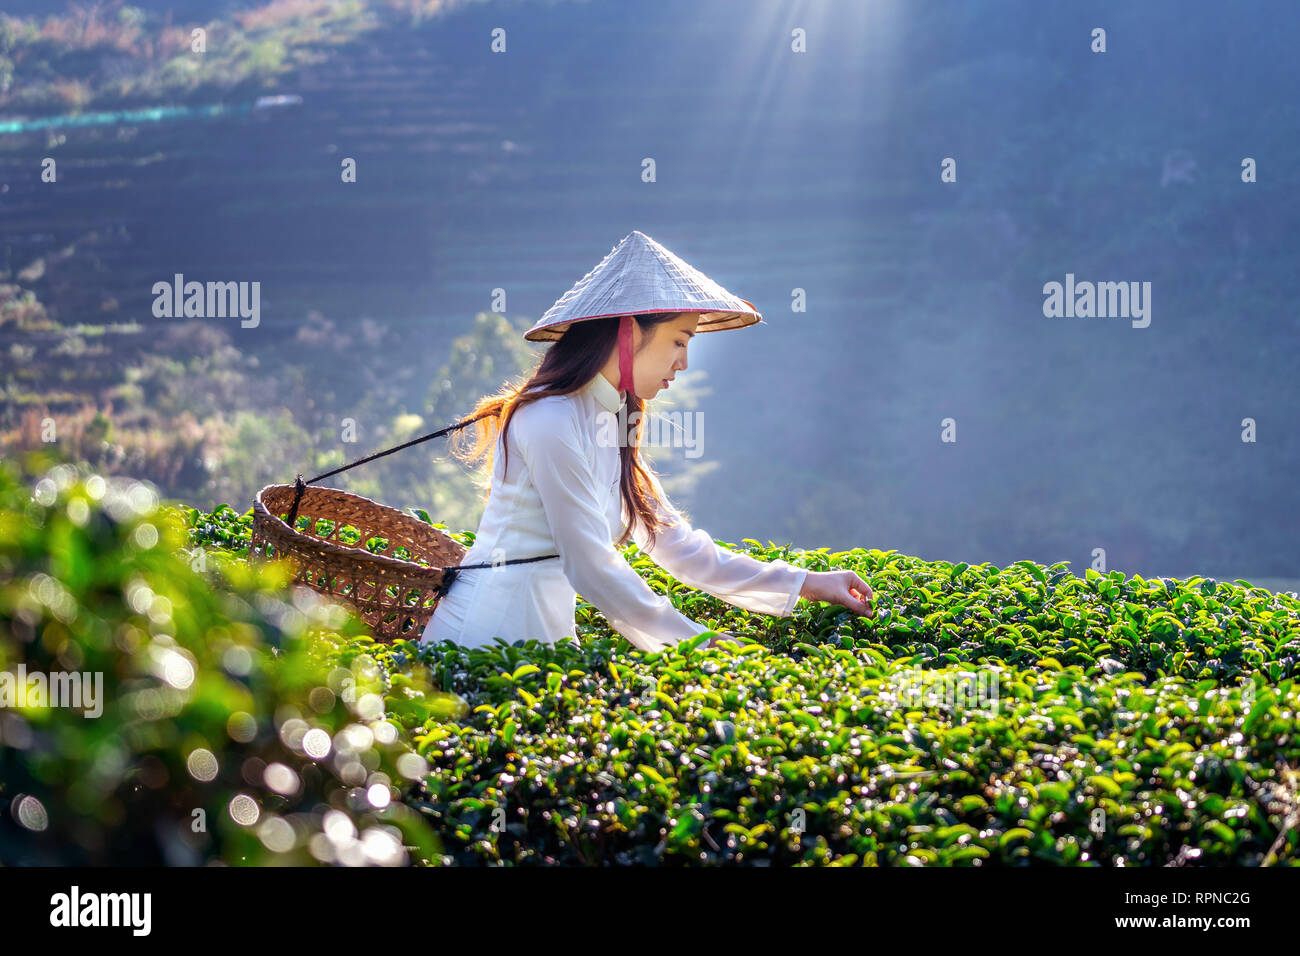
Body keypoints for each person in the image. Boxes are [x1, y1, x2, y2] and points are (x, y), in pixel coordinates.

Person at [420, 231, 872, 653]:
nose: (684, 362)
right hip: (480, 641)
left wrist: (808, 582)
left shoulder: (612, 419)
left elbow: (679, 546)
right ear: (629, 331)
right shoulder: (549, 419)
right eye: (679, 340)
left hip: (542, 644)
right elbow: (591, 564)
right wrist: (699, 643)